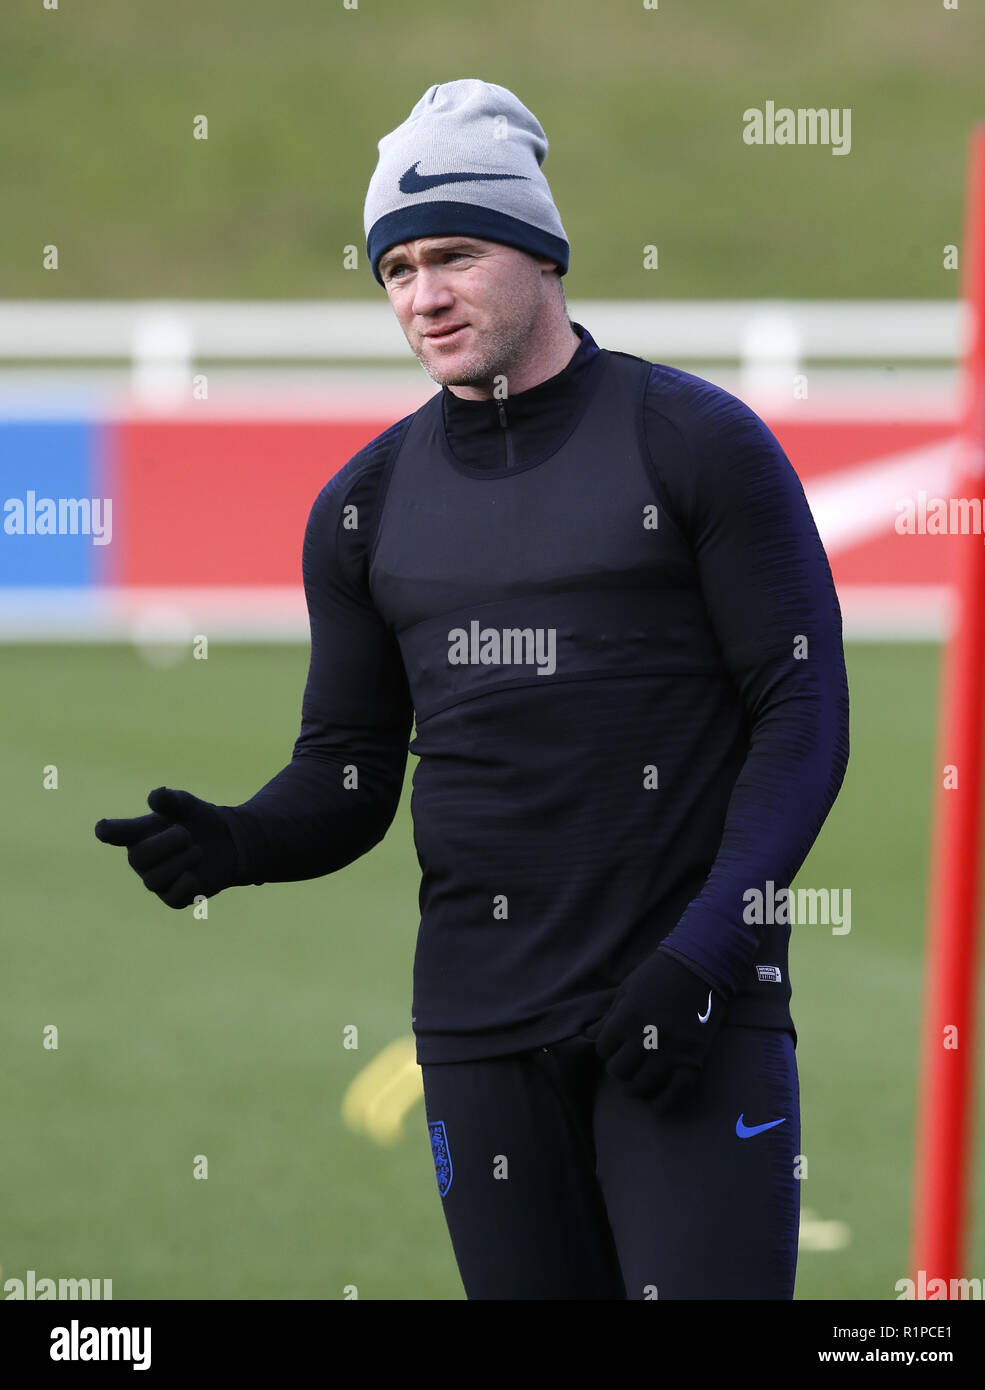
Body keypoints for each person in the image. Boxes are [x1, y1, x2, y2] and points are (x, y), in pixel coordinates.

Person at [95, 79, 850, 1300]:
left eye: (453, 254)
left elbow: (803, 714)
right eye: (394, 269)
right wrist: (240, 838)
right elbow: (348, 776)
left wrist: (705, 958)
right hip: (478, 1038)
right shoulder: (362, 506)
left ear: (542, 253)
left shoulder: (697, 444)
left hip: (689, 1012)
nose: (424, 295)